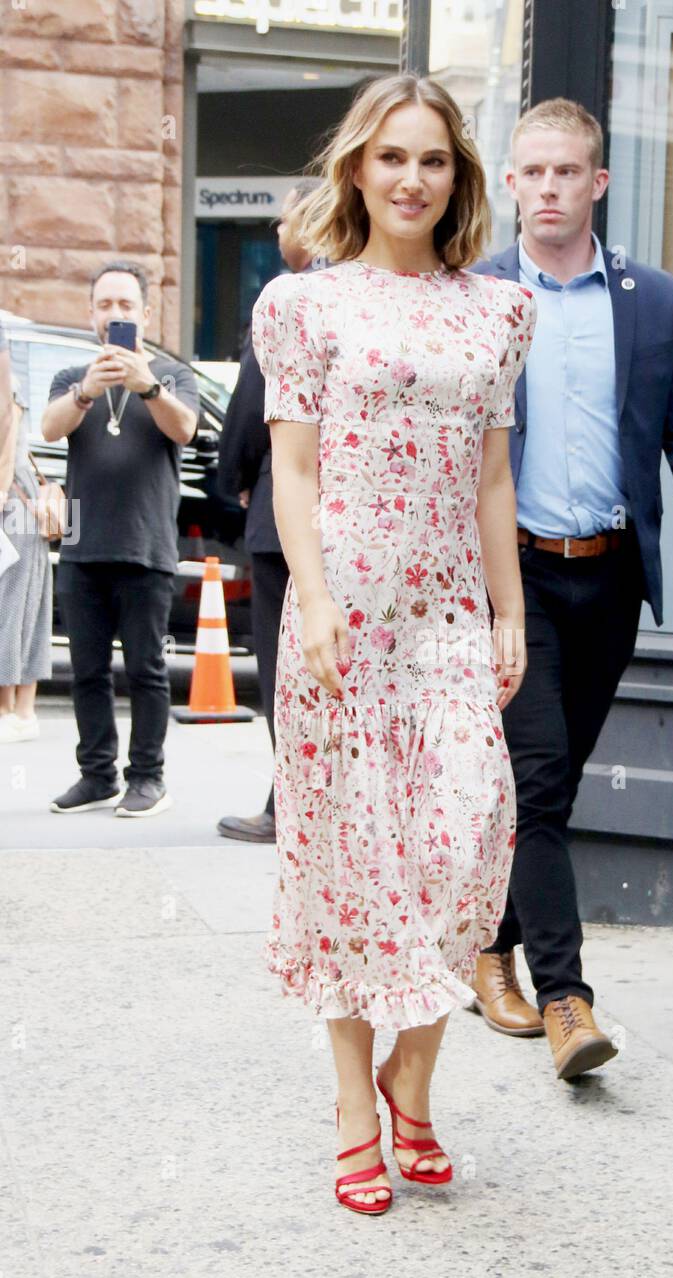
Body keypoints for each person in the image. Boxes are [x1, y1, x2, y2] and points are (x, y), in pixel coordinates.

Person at [251, 73, 535, 1214]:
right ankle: (358, 1109)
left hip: (451, 623)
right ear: (357, 170)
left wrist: (511, 613)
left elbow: (492, 480)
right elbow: (293, 467)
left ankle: (412, 1073)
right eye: (391, 157)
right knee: (351, 867)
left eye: (432, 160)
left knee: (464, 847)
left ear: (456, 177)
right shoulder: (303, 306)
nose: (411, 178)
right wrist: (312, 598)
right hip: (341, 624)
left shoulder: (499, 311)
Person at [471, 99, 673, 1080]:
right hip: (512, 580)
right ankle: (566, 1001)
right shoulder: (473, 292)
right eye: (529, 172)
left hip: (611, 577)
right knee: (538, 776)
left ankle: (485, 938)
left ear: (597, 182)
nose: (546, 188)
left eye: (565, 172)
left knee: (548, 782)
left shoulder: (653, 298)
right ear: (509, 183)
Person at [41, 261, 199, 817]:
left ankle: (148, 777)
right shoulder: (71, 378)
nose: (115, 316)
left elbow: (185, 429)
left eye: (126, 306)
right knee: (85, 671)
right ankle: (96, 774)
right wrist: (88, 389)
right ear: (91, 315)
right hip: (84, 545)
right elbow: (49, 427)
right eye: (105, 306)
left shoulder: (173, 377)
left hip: (146, 545)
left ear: (145, 315)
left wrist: (146, 385)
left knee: (146, 671)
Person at [216, 179, 319, 844]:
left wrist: (235, 477)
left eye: (284, 221)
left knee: (286, 674)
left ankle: (291, 810)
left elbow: (253, 406)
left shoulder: (289, 301)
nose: (277, 234)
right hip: (358, 523)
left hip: (285, 521)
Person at [0, 360, 53, 742]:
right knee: (19, 605)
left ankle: (15, 710)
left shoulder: (6, 381)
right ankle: (19, 710)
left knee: (15, 606)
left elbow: (6, 454)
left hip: (12, 505)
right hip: (16, 503)